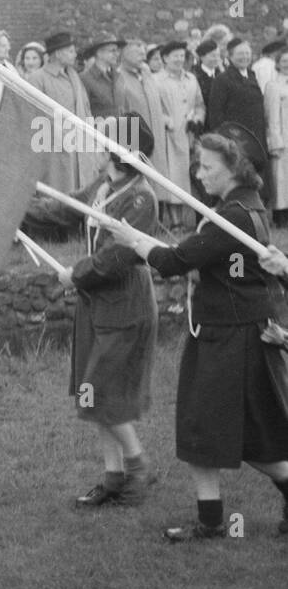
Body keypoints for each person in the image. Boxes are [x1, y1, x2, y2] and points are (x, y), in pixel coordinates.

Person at [113, 131, 288, 541]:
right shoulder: (236, 208)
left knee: (244, 437)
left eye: (209, 166)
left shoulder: (237, 215)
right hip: (225, 332)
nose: (199, 172)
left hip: (234, 337)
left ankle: (212, 522)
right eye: (199, 163)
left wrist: (135, 240)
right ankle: (210, 521)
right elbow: (200, 258)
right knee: (208, 430)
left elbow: (177, 261)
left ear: (235, 169)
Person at [46, 116, 159, 506]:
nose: (99, 144)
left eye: (106, 140)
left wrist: (74, 274)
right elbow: (63, 210)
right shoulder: (104, 184)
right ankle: (113, 477)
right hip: (94, 302)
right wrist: (17, 204)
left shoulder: (141, 197)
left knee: (104, 391)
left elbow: (118, 258)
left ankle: (137, 468)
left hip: (124, 302)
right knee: (91, 392)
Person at [29, 31, 97, 194]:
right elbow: (33, 117)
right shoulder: (38, 79)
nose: (75, 55)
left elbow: (85, 109)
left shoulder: (74, 76)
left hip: (81, 149)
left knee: (83, 195)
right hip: (55, 154)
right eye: (71, 51)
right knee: (59, 196)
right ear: (58, 54)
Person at [151, 39, 204, 227]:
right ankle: (175, 221)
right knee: (172, 176)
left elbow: (199, 104)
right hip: (168, 136)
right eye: (175, 56)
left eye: (182, 56)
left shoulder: (191, 79)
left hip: (188, 135)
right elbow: (154, 107)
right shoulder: (156, 80)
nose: (179, 60)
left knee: (188, 175)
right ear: (165, 58)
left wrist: (197, 119)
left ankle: (190, 218)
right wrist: (166, 121)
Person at [206, 37, 269, 164]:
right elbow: (215, 113)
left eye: (247, 53)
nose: (244, 57)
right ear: (230, 56)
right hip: (236, 140)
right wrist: (224, 140)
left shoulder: (252, 75)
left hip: (257, 138)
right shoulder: (222, 79)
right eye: (240, 54)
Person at [264, 48, 288, 220]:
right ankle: (280, 215)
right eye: (284, 61)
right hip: (282, 135)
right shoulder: (273, 85)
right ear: (278, 64)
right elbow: (271, 115)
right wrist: (276, 141)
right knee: (281, 177)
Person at [80, 35, 121, 119]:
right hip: (98, 130)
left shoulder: (118, 77)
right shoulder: (85, 79)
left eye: (117, 50)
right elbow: (84, 111)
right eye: (112, 51)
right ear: (99, 53)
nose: (117, 54)